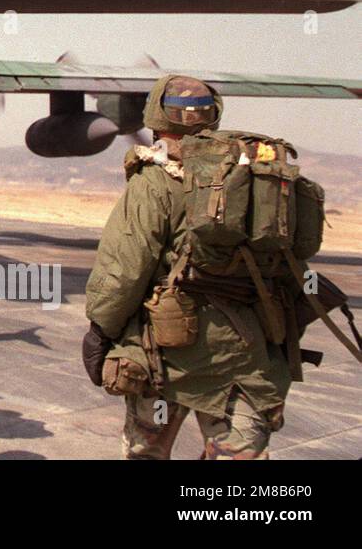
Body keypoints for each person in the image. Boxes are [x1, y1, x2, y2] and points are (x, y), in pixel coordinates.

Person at [82, 75, 311, 459]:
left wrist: (99, 331)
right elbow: (293, 265)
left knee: (146, 452)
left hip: (166, 359)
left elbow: (123, 269)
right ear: (213, 117)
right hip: (245, 358)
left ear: (156, 119)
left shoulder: (155, 181)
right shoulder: (259, 180)